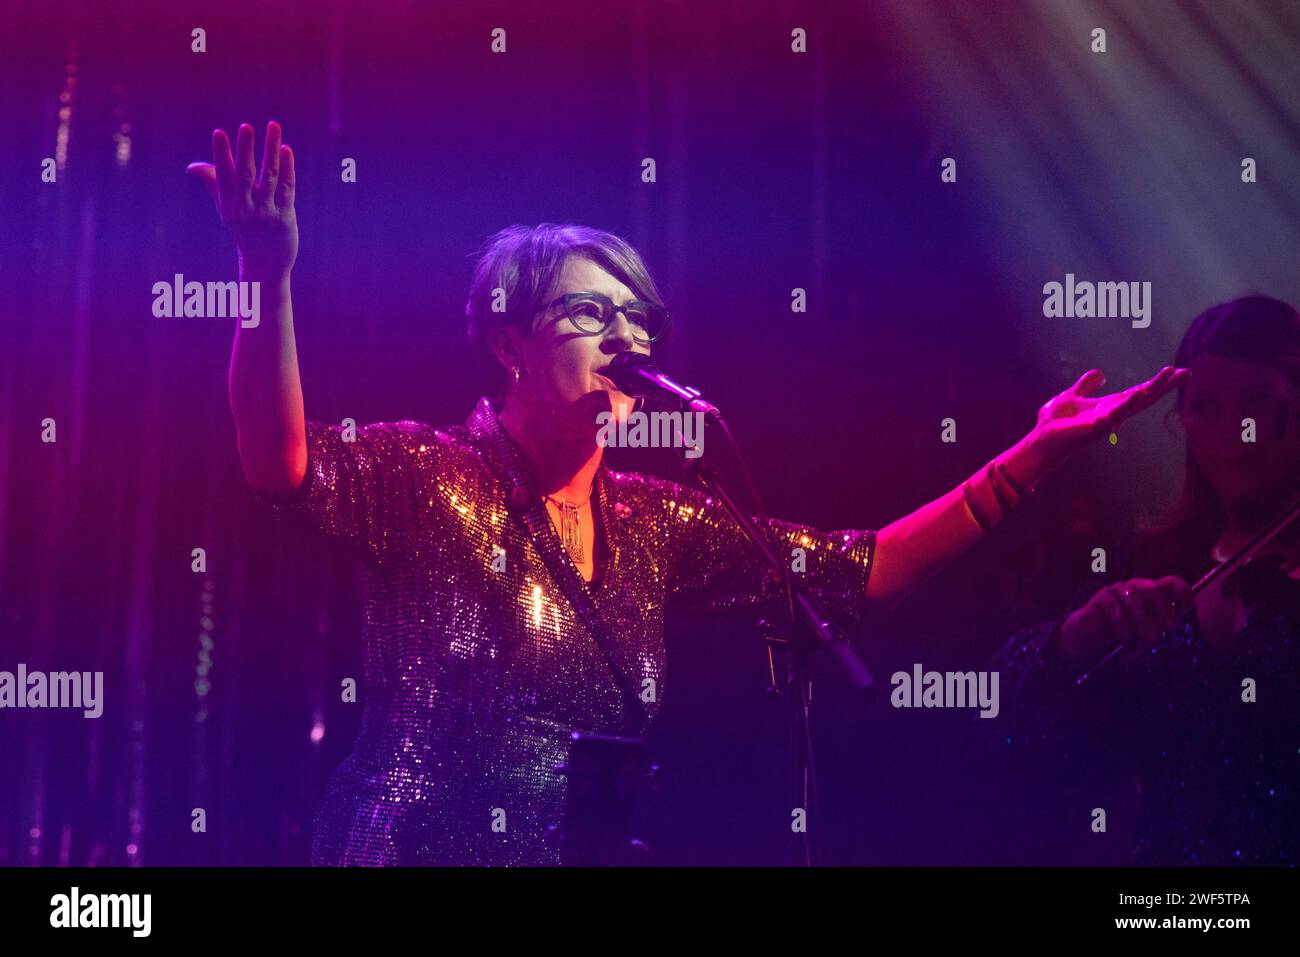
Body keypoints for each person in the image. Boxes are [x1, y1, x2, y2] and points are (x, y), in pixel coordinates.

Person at [187, 121, 1184, 865]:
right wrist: (264, 276)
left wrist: (1036, 456)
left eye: (639, 321)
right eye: (588, 313)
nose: (627, 341)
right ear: (507, 343)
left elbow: (858, 571)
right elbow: (279, 462)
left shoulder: (654, 521)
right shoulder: (426, 475)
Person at [994, 295, 1300, 866]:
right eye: (1204, 405)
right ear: (1181, 418)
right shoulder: (1162, 561)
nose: (1234, 431)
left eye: (1258, 404)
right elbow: (1009, 718)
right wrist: (1083, 632)